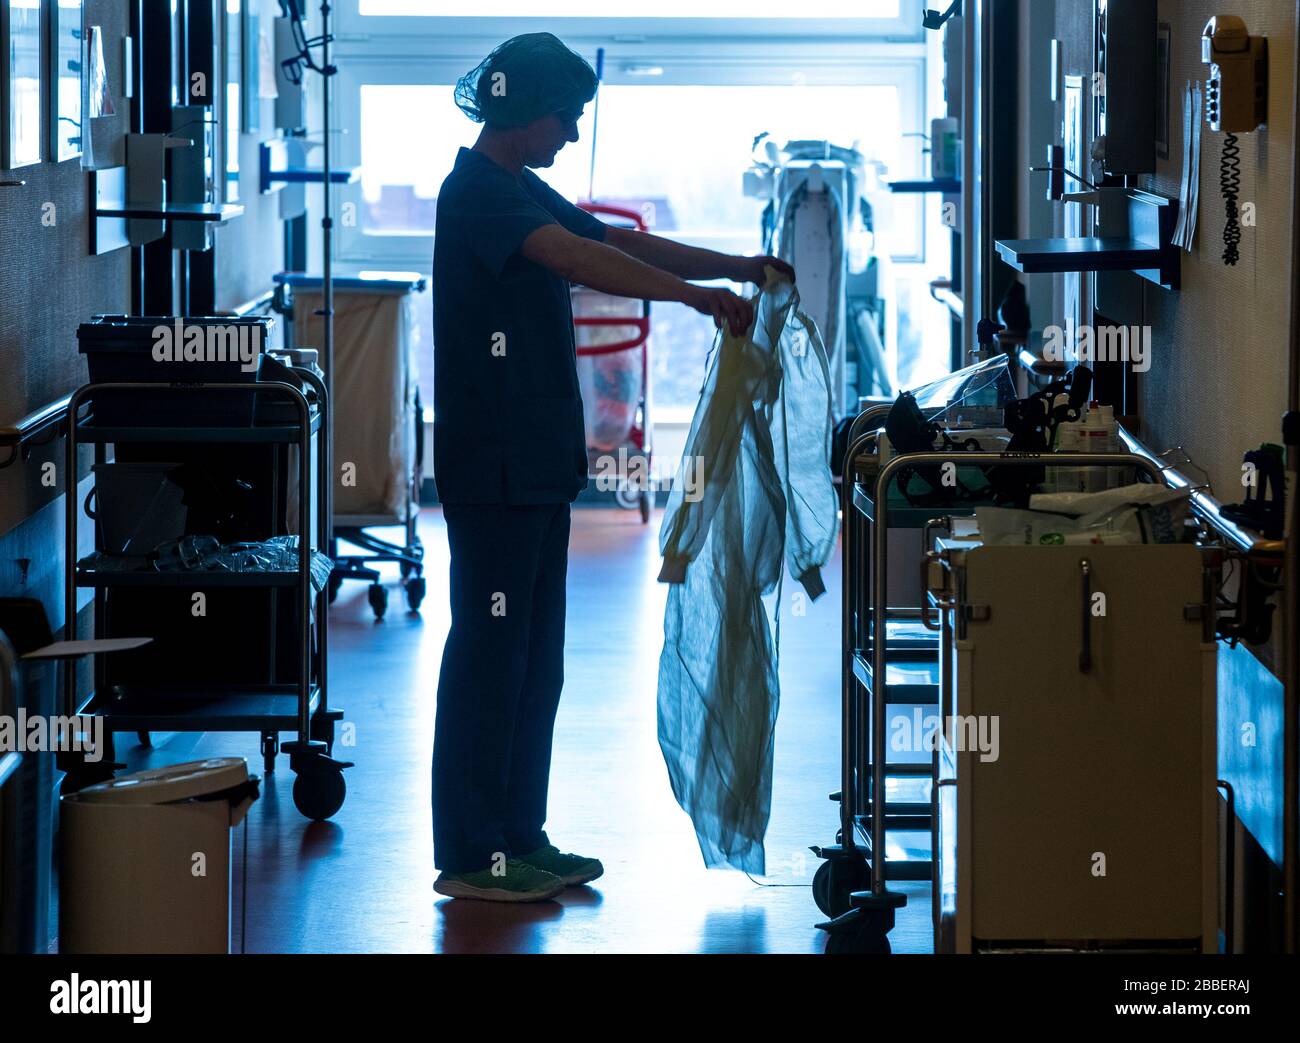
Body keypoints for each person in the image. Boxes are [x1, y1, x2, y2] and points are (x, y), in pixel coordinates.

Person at [431, 31, 794, 902]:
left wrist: (734, 267)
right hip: (494, 468)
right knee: (491, 654)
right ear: (526, 110)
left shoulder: (519, 185)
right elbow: (582, 259)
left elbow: (629, 244)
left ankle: (521, 834)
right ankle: (473, 854)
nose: (570, 131)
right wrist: (695, 300)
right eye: (568, 116)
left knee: (534, 660)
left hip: (536, 465)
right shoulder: (477, 193)